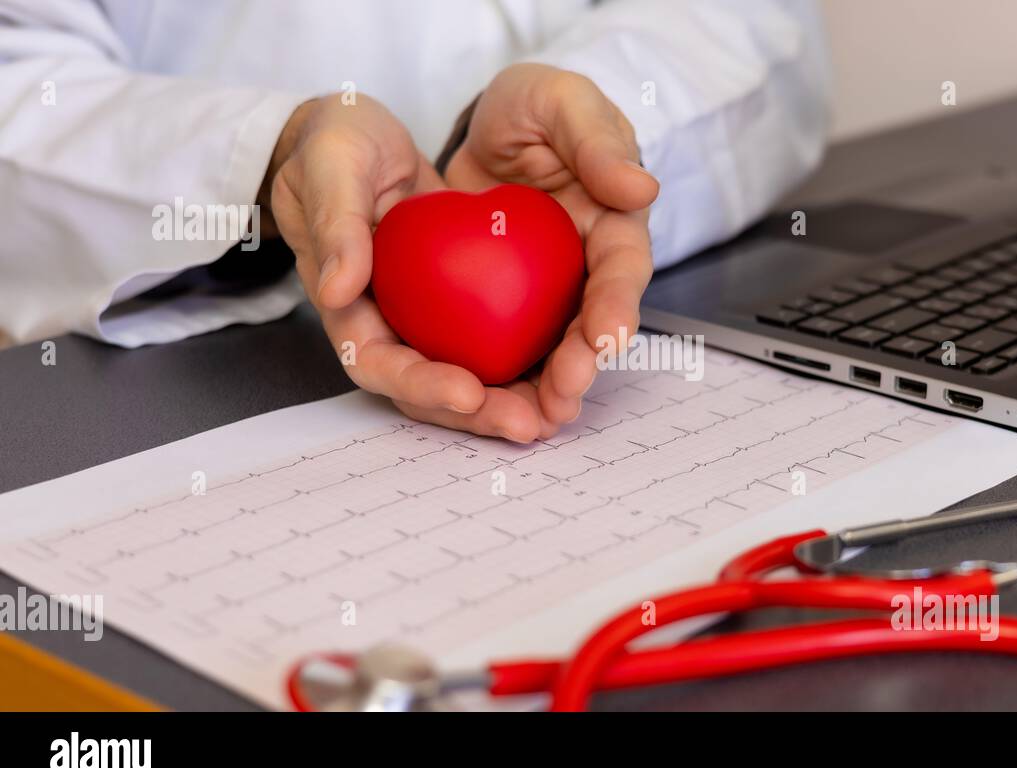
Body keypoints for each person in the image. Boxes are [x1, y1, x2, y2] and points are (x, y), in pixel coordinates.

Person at [0, 0, 831, 441]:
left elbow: (756, 15)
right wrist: (269, 158)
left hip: (611, 254)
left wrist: (596, 113)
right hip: (191, 381)